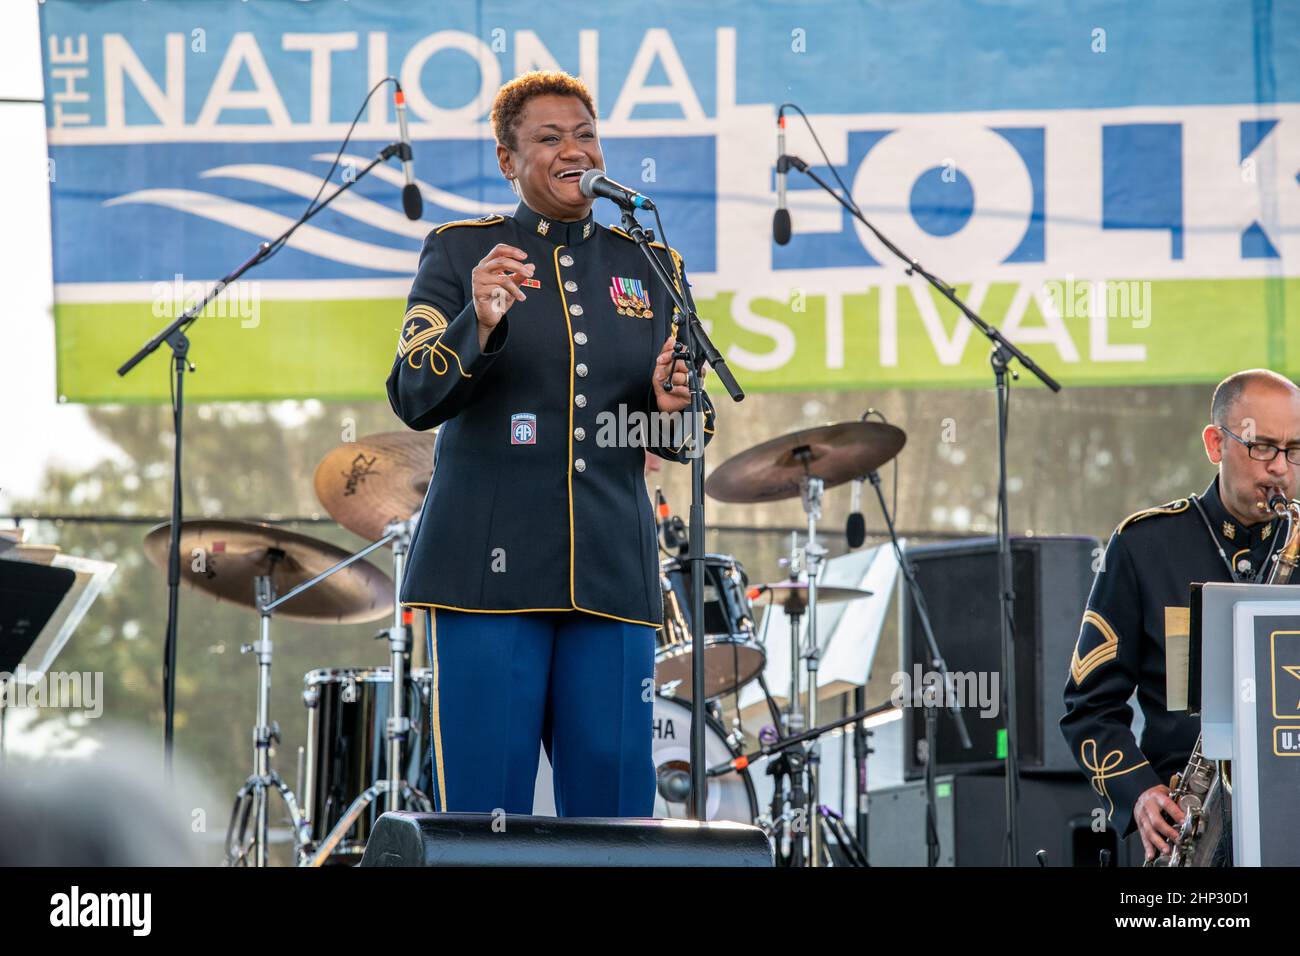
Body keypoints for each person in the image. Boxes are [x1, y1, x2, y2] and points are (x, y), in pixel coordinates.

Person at [386, 70, 715, 818]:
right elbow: (413, 396)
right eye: (550, 138)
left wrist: (671, 407)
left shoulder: (652, 266)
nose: (575, 150)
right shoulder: (459, 254)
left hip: (613, 574)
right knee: (487, 816)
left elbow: (681, 439)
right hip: (484, 579)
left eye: (586, 134)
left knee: (617, 820)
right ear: (508, 161)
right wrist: (480, 322)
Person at [1061, 369, 1300, 862]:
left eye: (1294, 450)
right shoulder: (1144, 545)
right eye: (1262, 447)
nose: (1281, 468)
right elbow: (1090, 707)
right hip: (1192, 826)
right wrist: (1140, 793)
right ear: (1215, 443)